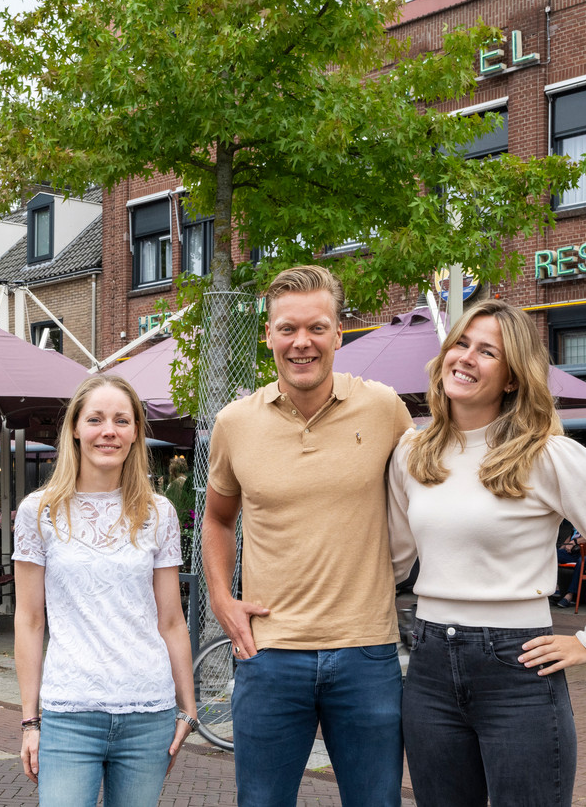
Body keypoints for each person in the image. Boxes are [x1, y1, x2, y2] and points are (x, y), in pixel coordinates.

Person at [388, 299, 586, 807]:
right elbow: (389, 561)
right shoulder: (412, 453)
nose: (466, 357)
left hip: (516, 665)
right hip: (428, 664)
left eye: (487, 352)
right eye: (461, 343)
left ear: (513, 378)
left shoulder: (546, 454)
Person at [204, 264, 413, 807]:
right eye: (288, 329)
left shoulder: (385, 409)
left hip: (367, 650)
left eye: (317, 327)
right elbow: (218, 519)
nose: (302, 342)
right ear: (268, 335)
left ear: (338, 333)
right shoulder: (234, 423)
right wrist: (221, 599)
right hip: (269, 653)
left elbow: (432, 490)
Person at [15, 375, 196, 806]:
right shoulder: (39, 511)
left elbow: (171, 620)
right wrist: (30, 721)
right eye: (95, 419)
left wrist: (188, 709)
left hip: (148, 713)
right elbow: (30, 620)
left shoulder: (158, 513)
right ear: (76, 429)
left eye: (121, 420)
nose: (108, 431)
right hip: (70, 713)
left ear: (135, 433)